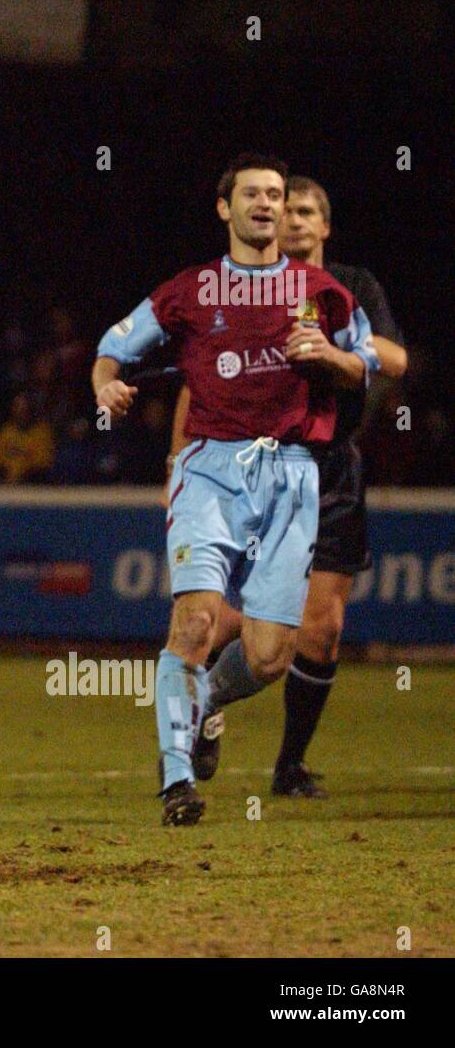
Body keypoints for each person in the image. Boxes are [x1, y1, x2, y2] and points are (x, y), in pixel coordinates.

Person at [92, 153, 379, 825]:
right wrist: (106, 380)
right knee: (193, 622)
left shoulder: (323, 291)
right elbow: (115, 342)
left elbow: (367, 364)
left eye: (276, 196)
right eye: (252, 195)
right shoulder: (191, 290)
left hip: (292, 476)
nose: (266, 205)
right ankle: (176, 783)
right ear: (225, 209)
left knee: (270, 655)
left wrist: (329, 358)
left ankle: (206, 704)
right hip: (210, 469)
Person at [168, 176, 407, 797]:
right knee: (224, 620)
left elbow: (397, 360)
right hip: (249, 466)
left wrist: (335, 349)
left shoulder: (351, 289)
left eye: (307, 211)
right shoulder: (244, 288)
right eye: (287, 209)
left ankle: (288, 765)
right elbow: (198, 382)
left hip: (332, 471)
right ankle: (199, 706)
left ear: (325, 226)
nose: (294, 219)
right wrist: (177, 466)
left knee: (321, 627)